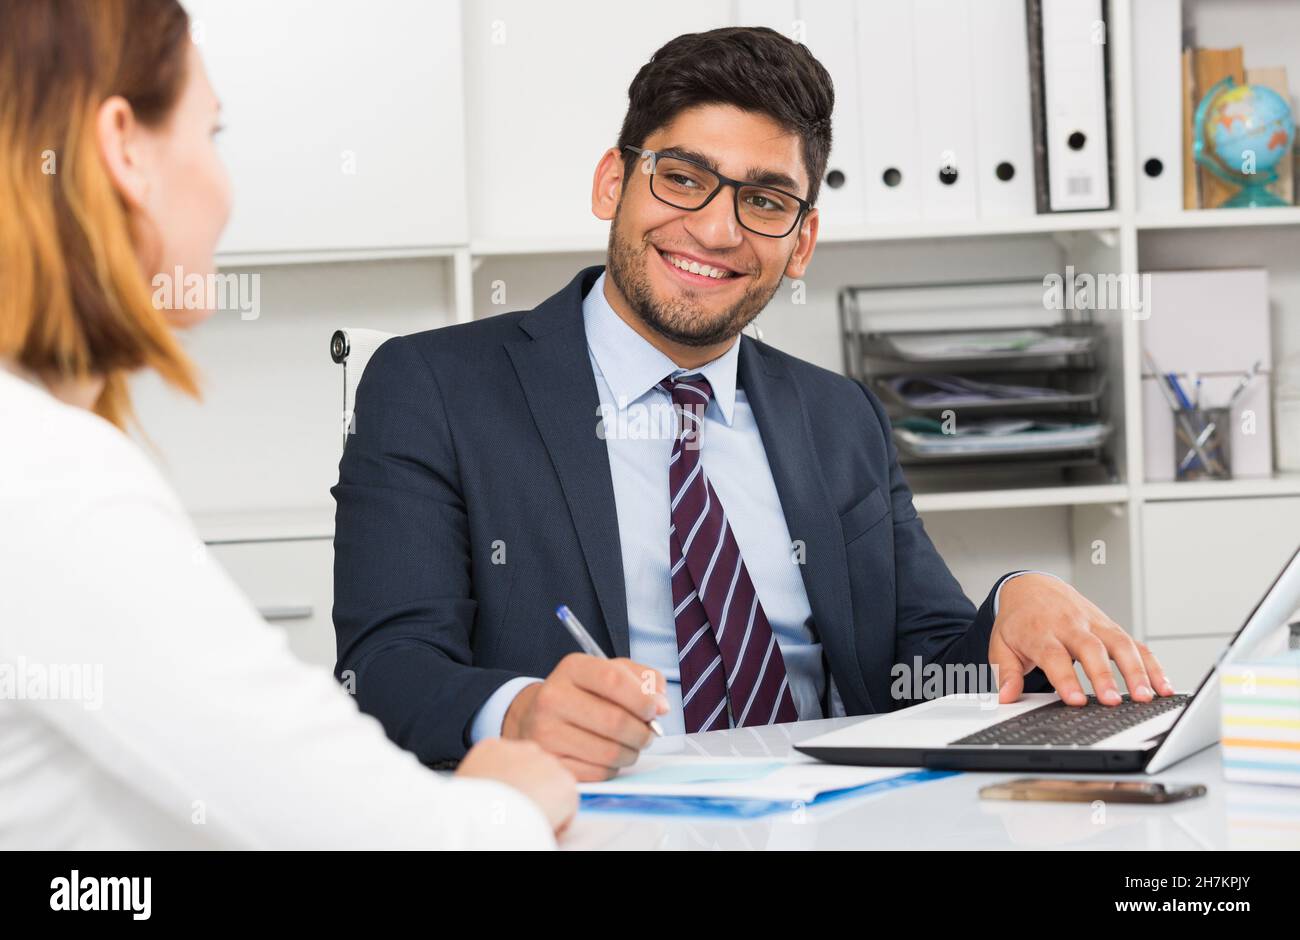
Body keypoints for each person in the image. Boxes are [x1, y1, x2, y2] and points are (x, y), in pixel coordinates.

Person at [332, 26, 1176, 782]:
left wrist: (1014, 602)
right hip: (598, 821)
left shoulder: (840, 415)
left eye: (765, 201)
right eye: (684, 179)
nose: (717, 230)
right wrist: (517, 712)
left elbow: (924, 670)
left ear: (801, 241)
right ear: (612, 183)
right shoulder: (435, 387)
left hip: (837, 822)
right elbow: (389, 665)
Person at [0, 0, 575, 849]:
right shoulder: (50, 480)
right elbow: (368, 835)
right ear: (124, 147)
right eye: (214, 134)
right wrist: (509, 795)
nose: (227, 192)